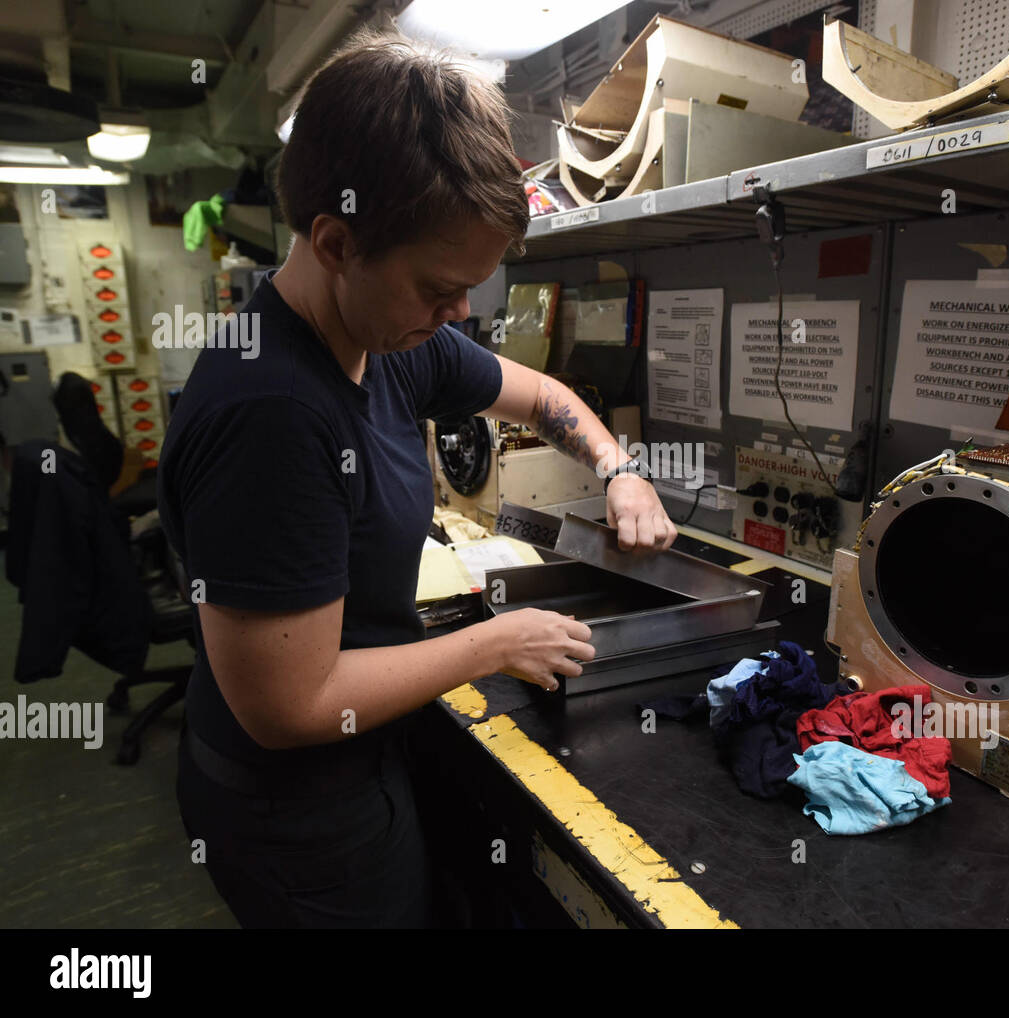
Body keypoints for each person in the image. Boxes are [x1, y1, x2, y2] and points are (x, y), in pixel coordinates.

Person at [159, 26, 677, 928]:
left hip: (361, 760)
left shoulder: (385, 336)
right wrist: (492, 643)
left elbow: (542, 394)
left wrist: (620, 467)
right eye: (439, 288)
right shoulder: (273, 414)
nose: (458, 315)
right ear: (334, 242)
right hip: (298, 813)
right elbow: (290, 706)